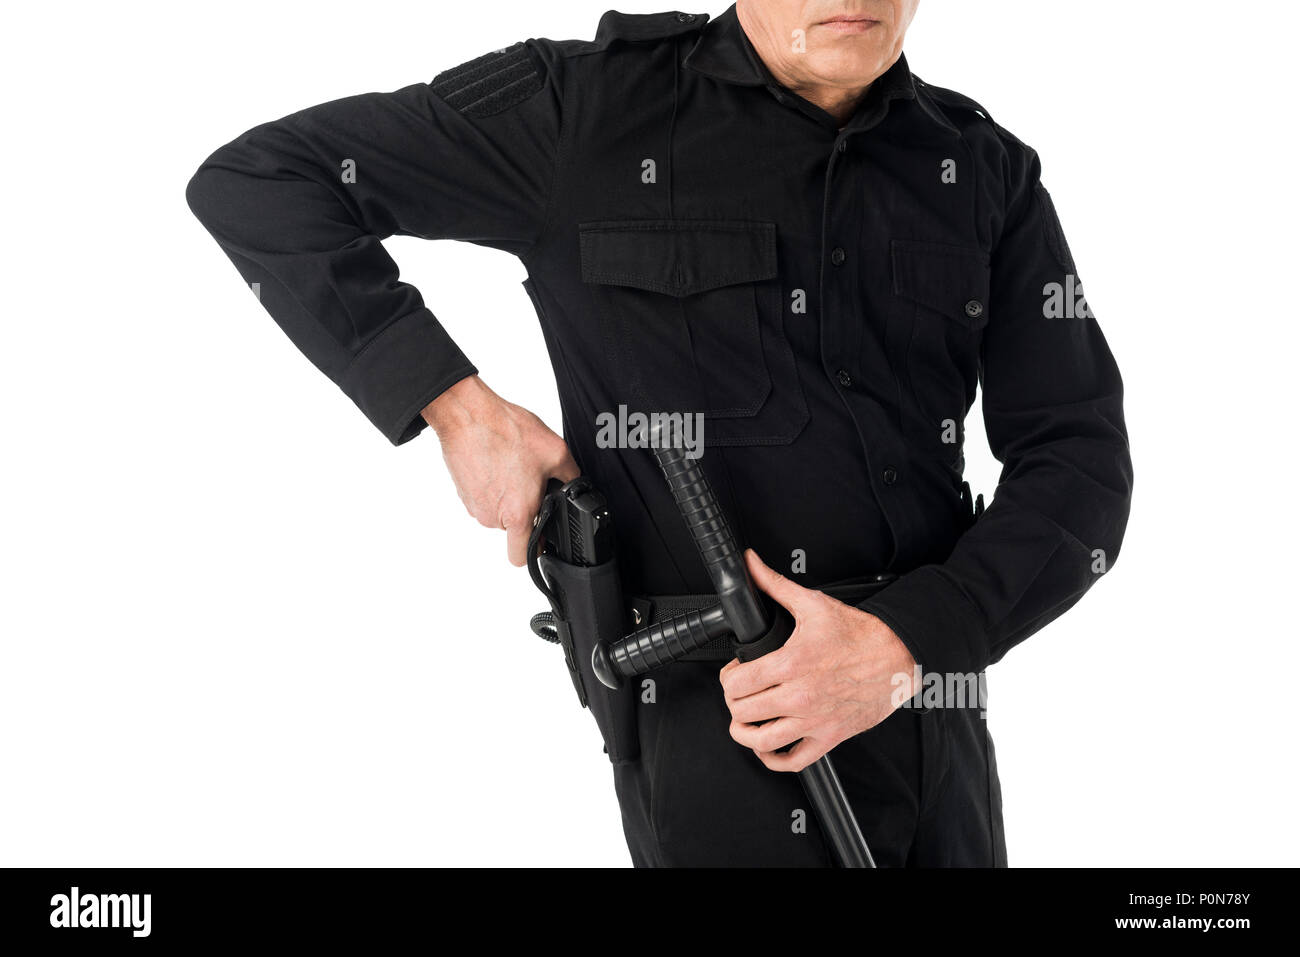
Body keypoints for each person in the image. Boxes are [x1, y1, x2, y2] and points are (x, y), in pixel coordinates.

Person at [186, 1, 1133, 866]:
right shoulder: (581, 111)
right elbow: (261, 180)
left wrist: (906, 642)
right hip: (714, 717)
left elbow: (1079, 458)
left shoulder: (981, 168)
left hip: (930, 709)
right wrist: (454, 405)